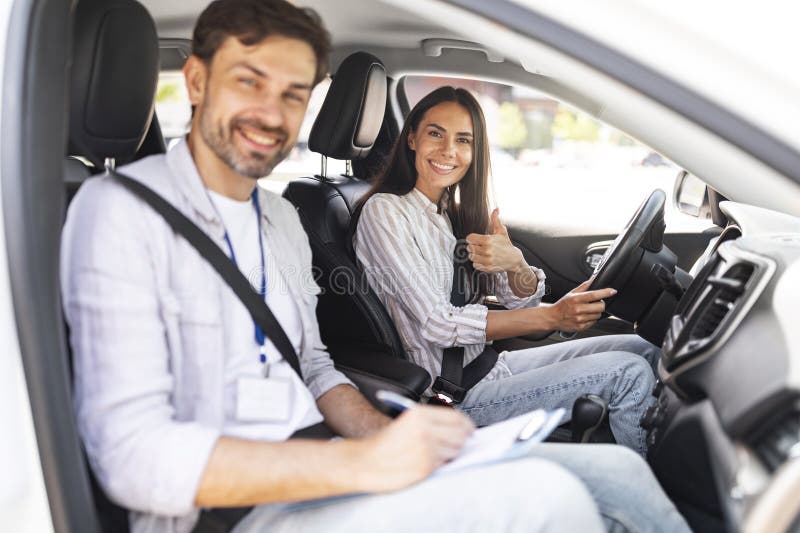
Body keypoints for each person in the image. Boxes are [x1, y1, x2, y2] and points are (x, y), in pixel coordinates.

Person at [61, 0, 688, 532]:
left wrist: (383, 437)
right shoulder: (118, 211)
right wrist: (363, 466)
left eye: (294, 93)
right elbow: (131, 457)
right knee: (556, 499)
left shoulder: (278, 219)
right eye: (248, 81)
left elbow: (313, 366)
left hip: (324, 466)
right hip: (234, 512)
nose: (272, 113)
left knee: (622, 473)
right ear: (195, 81)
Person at [353, 86, 662, 456]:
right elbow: (436, 323)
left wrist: (514, 262)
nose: (449, 150)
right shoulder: (385, 212)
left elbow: (520, 299)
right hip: (450, 392)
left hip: (489, 366)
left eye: (463, 140)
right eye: (436, 133)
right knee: (628, 374)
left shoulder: (455, 214)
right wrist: (551, 317)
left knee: (643, 349)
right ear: (413, 139)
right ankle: (650, 488)